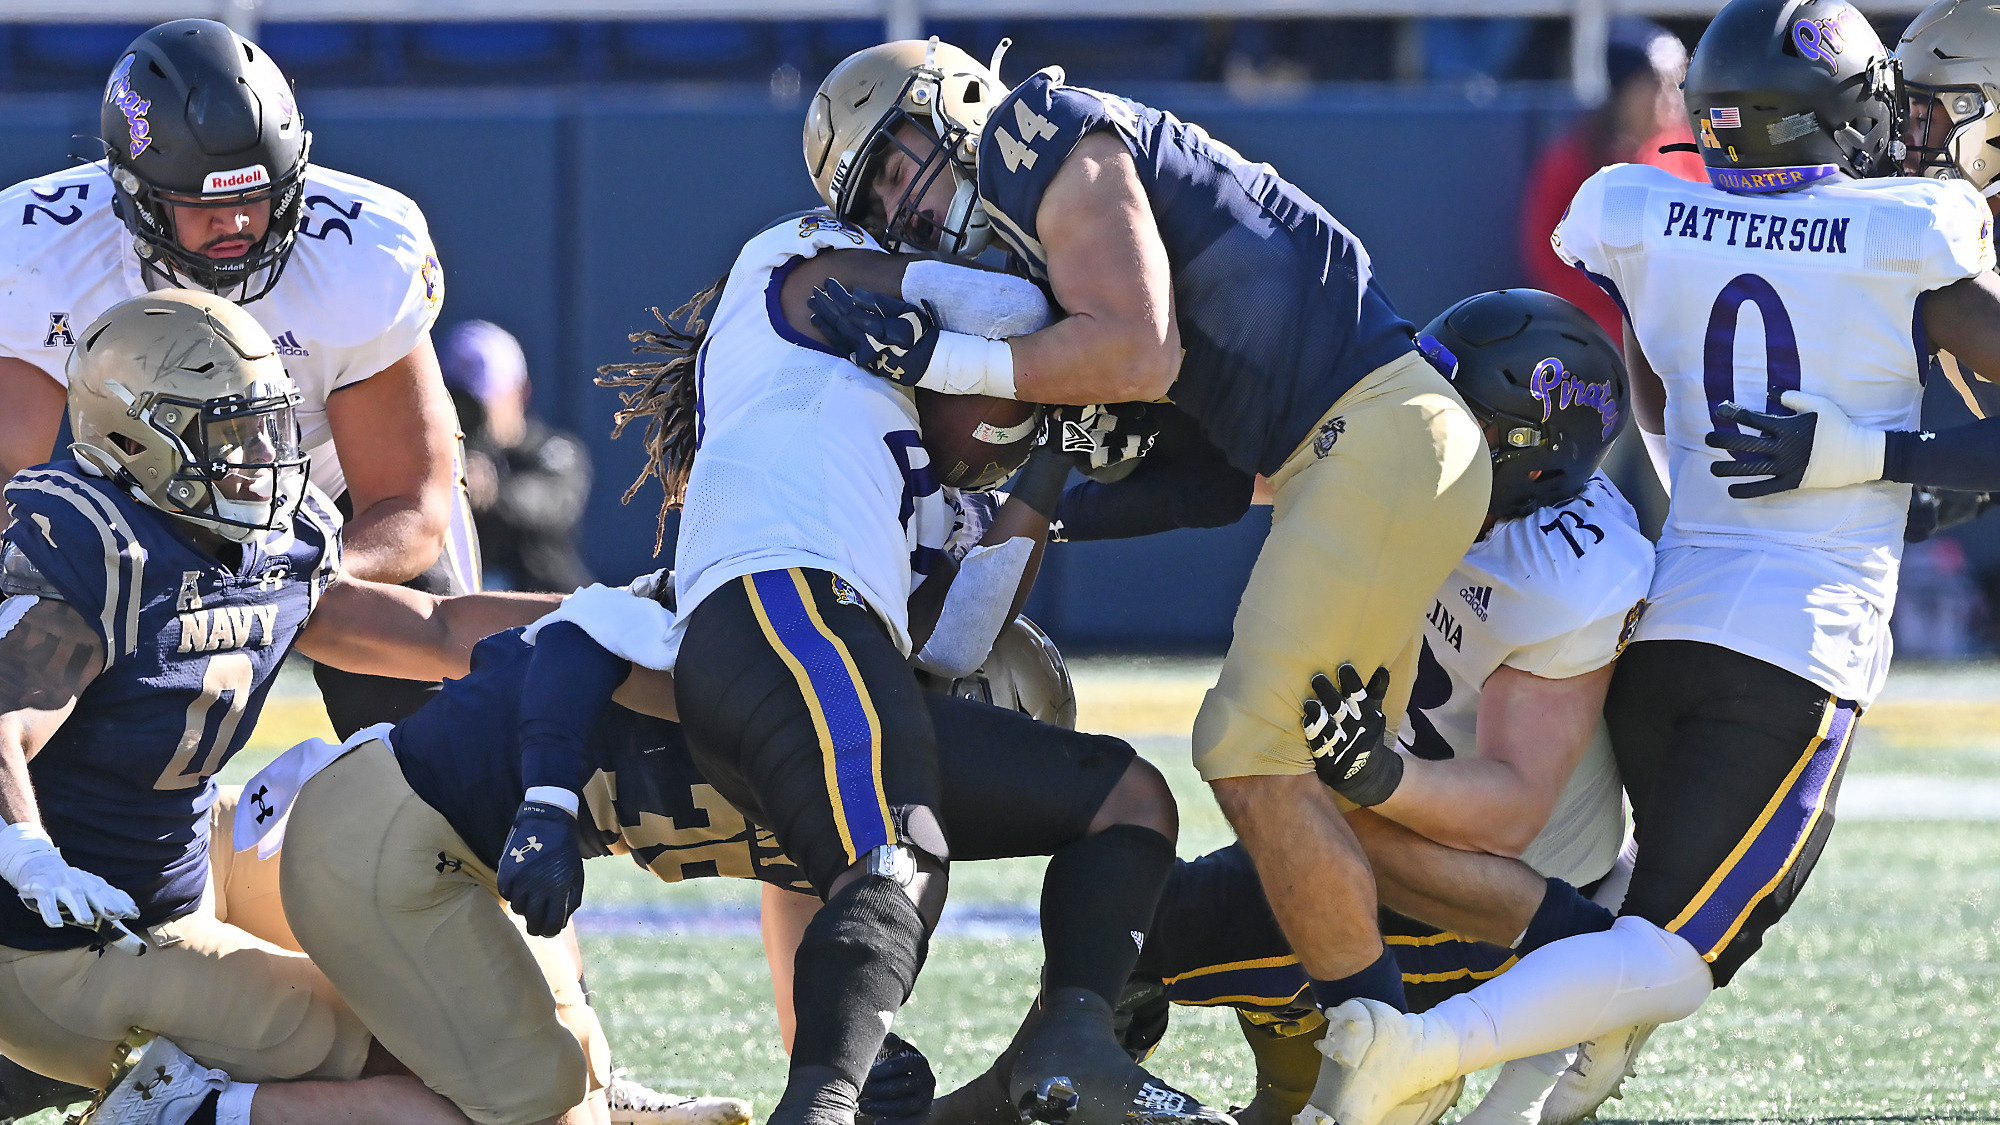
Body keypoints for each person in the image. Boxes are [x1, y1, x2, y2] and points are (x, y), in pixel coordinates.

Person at [1311, 3, 2000, 1123]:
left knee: (1647, 900)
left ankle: (1517, 1105)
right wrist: (1876, 457)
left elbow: (1661, 418)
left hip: (1665, 625)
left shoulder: (1639, 211)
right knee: (1678, 954)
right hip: (1789, 647)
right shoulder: (1902, 232)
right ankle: (1417, 1048)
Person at [800, 42, 1492, 1113]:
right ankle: (1568, 962)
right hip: (1342, 453)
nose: (902, 206)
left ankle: (1390, 1066)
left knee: (1241, 750)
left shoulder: (1035, 130)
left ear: (949, 107)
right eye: (878, 201)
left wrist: (942, 362)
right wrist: (1040, 494)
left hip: (1372, 429)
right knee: (1332, 801)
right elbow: (1216, 481)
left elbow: (1137, 352)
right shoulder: (1038, 278)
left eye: (895, 163)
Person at [932, 289, 1649, 1125]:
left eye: (1459, 415)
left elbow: (1510, 808)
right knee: (1127, 931)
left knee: (1285, 809)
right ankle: (1294, 1081)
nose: (1422, 421)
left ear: (1533, 460)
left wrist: (1384, 773)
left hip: (1487, 895)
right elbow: (1232, 480)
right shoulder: (1410, 450)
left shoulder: (1564, 574)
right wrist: (1048, 504)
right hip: (1367, 832)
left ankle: (1449, 1034)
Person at [603, 209, 1226, 1125]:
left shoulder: (928, 514)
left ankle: (1020, 1048)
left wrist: (1044, 461)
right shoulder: (807, 320)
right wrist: (1023, 371)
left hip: (706, 717)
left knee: (885, 856)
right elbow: (1001, 314)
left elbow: (956, 640)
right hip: (739, 638)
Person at [0, 291, 582, 1125]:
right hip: (70, 935)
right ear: (134, 440)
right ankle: (185, 1113)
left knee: (449, 929)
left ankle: (591, 1082)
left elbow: (440, 624)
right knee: (437, 1064)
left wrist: (600, 620)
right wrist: (25, 850)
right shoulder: (103, 545)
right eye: (227, 433)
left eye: (266, 426)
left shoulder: (261, 538)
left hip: (180, 852)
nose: (259, 457)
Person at [0, 19, 476, 739]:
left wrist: (277, 579)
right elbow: (11, 485)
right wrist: (93, 583)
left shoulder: (363, 254)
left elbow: (410, 509)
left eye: (258, 196)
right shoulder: (38, 256)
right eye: (205, 203)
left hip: (323, 514)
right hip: (133, 515)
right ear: (132, 191)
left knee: (433, 730)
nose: (240, 223)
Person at [1517, 21, 1704, 340]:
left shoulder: (1690, 154)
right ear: (1625, 91)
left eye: (1680, 81)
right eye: (1662, 82)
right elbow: (1550, 256)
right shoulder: (1574, 162)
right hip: (1598, 335)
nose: (1676, 95)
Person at [440, 321, 594, 592]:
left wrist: (490, 489)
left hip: (543, 613)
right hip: (460, 617)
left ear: (520, 391)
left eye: (482, 400)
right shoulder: (441, 458)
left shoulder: (553, 450)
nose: (470, 415)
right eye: (458, 401)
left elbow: (549, 503)